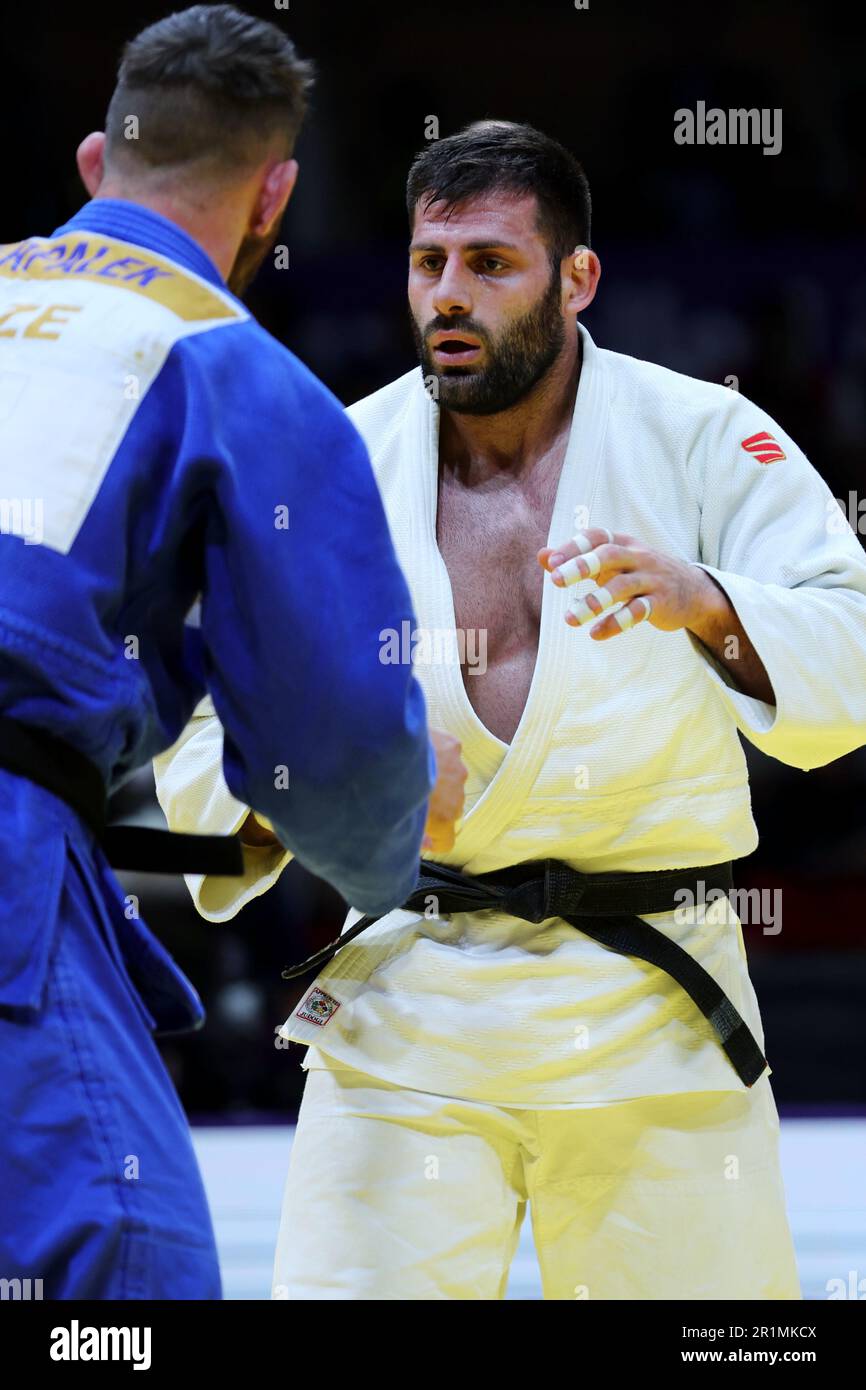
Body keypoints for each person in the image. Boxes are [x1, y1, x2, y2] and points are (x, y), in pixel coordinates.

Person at [155, 120, 866, 1300]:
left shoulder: (701, 440)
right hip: (406, 1012)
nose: (448, 294)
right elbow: (201, 737)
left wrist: (708, 604)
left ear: (574, 279)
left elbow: (848, 646)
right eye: (429, 261)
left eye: (490, 263)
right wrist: (337, 779)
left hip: (657, 1017)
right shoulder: (336, 463)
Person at [0, 5, 465, 1300]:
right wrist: (373, 833)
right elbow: (339, 731)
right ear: (277, 195)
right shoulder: (232, 367)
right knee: (123, 1275)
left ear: (97, 164)